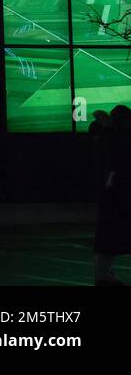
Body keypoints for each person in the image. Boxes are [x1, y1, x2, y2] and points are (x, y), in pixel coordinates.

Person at [93, 105, 131, 285]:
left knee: (107, 234)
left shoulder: (107, 136)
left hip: (110, 192)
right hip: (114, 193)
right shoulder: (116, 138)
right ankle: (103, 272)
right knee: (109, 234)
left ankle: (103, 272)